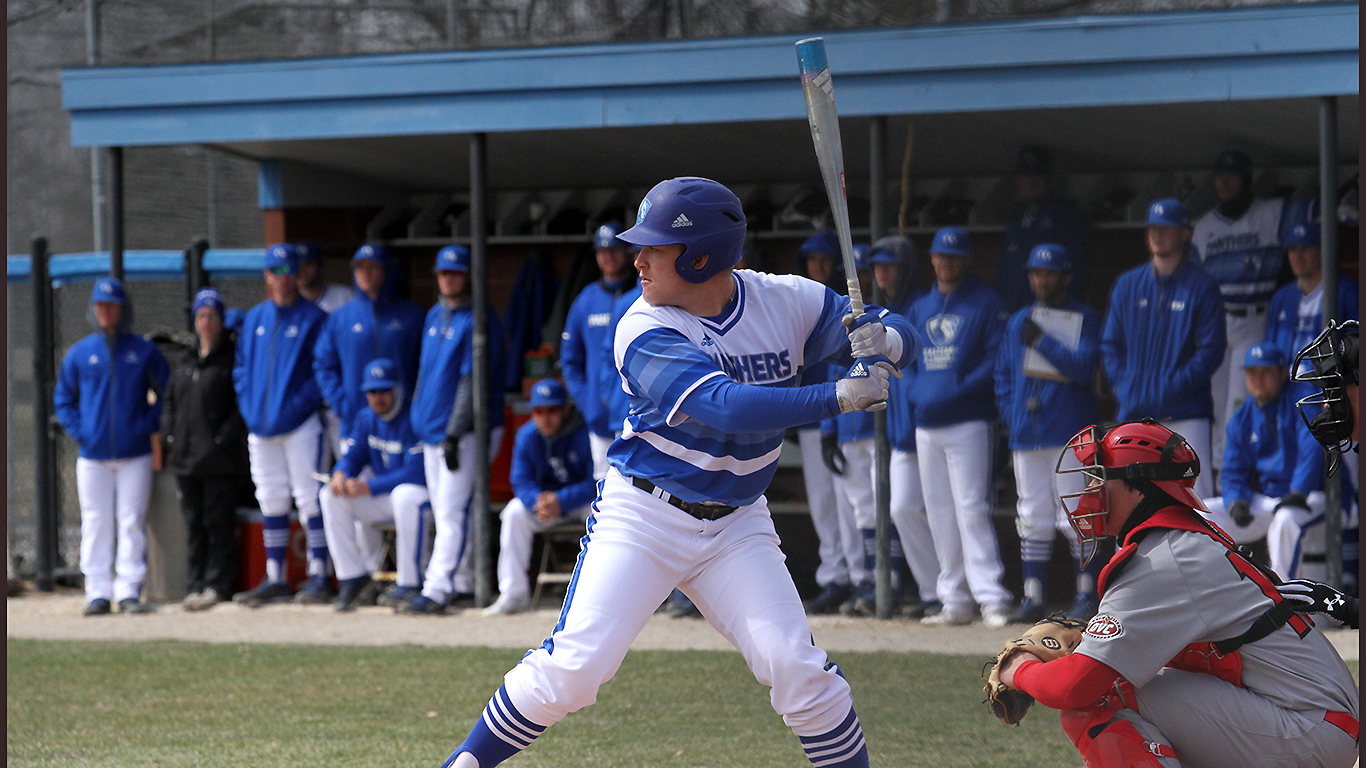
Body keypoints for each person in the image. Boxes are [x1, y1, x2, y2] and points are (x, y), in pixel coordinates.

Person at [437, 176, 918, 768]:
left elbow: (898, 330)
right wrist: (838, 396)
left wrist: (888, 339)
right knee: (577, 668)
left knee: (797, 667)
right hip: (644, 516)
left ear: (701, 257)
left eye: (654, 248)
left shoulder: (788, 300)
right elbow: (725, 406)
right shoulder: (641, 324)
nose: (636, 259)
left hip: (737, 524)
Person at [994, 420, 1358, 768]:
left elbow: (1073, 687)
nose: (1090, 491)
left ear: (1139, 488)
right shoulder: (1185, 539)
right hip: (1312, 720)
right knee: (1136, 680)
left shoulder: (1163, 559)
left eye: (1099, 478)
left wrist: (1018, 669)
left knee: (1104, 697)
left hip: (1309, 729)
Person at [908, 226, 1014, 628]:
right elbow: (909, 362)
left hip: (970, 420)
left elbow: (994, 358)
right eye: (940, 255)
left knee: (971, 507)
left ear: (966, 259)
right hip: (928, 422)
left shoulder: (986, 302)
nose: (946, 262)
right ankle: (954, 600)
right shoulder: (920, 306)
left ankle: (992, 598)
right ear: (932, 259)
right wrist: (921, 393)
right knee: (938, 511)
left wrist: (955, 390)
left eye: (953, 256)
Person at [994, 243, 1102, 623]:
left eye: (1049, 273)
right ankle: (1032, 597)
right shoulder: (1018, 319)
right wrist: (1012, 414)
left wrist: (1041, 340)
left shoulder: (1083, 317)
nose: (1041, 280)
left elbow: (1083, 367)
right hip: (1027, 433)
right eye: (1036, 274)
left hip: (1068, 432)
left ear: (1065, 277)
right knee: (1032, 514)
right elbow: (1003, 376)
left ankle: (1086, 595)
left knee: (1076, 515)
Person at [54, 277, 170, 616]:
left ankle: (130, 589)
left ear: (124, 309)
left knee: (132, 519)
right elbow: (63, 399)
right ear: (93, 309)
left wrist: (146, 425)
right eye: (100, 305)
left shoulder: (144, 350)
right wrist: (81, 431)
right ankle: (98, 591)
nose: (106, 311)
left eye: (112, 305)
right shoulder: (80, 353)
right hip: (93, 455)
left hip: (135, 453)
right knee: (96, 520)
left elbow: (167, 393)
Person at [403, 244, 507, 615]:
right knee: (453, 510)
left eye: (456, 273)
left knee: (451, 512)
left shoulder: (479, 319)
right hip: (433, 430)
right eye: (444, 273)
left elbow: (470, 383)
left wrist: (453, 432)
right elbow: (423, 374)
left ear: (467, 276)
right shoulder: (434, 314)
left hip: (463, 434)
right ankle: (463, 582)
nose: (449, 279)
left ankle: (437, 587)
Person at [1102, 198, 1226, 501]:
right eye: (1152, 228)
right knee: (1132, 503)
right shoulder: (1127, 284)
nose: (1156, 235)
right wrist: (1125, 386)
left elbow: (1211, 350)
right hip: (1135, 414)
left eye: (1166, 228)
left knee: (1196, 504)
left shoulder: (1201, 285)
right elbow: (1110, 345)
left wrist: (1173, 387)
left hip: (1185, 412)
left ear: (1184, 234)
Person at [232, 243, 333, 607]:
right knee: (270, 497)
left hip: (301, 424)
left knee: (309, 498)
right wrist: (250, 408)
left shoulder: (315, 318)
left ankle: (319, 574)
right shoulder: (255, 318)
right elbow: (241, 369)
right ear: (267, 276)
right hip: (260, 426)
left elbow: (321, 371)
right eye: (277, 272)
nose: (284, 279)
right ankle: (276, 577)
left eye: (290, 271)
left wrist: (295, 408)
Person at [1191, 151, 1288, 468]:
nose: (1224, 184)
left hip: (1253, 319)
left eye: (1231, 177)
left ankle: (1240, 470)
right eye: (1220, 177)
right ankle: (1221, 477)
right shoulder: (1205, 226)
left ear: (1246, 180)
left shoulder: (1271, 213)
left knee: (1240, 402)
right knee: (1216, 405)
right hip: (1218, 324)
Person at [1200, 343, 1327, 580]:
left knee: (1285, 520)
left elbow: (1312, 447)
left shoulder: (1302, 400)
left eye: (1265, 371)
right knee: (1203, 514)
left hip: (1312, 496)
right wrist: (1236, 500)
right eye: (1251, 372)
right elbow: (1232, 469)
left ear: (1281, 372)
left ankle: (1284, 598)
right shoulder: (1242, 416)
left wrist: (1299, 491)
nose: (1257, 379)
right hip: (1269, 500)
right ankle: (1211, 588)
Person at [159, 287, 247, 612]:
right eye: (201, 316)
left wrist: (222, 439)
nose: (206, 321)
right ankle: (194, 583)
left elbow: (239, 409)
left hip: (219, 461)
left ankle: (218, 584)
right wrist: (169, 435)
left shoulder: (231, 360)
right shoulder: (184, 360)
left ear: (221, 321)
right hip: (186, 459)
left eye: (212, 316)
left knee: (217, 523)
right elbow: (170, 402)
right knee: (194, 525)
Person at [320, 358, 430, 612]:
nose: (378, 397)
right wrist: (340, 472)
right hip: (384, 497)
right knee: (330, 495)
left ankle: (410, 583)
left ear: (397, 390)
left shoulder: (414, 417)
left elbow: (416, 472)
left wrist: (369, 487)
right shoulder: (366, 417)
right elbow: (353, 456)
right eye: (372, 391)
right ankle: (353, 577)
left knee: (405, 496)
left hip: (419, 496)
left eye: (384, 390)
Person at [794, 231, 865, 615]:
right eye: (811, 260)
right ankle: (833, 574)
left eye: (823, 260)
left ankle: (857, 576)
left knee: (847, 501)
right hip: (807, 412)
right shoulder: (794, 302)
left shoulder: (840, 306)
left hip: (841, 411)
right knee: (822, 501)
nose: (817, 267)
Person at [483, 378, 595, 616]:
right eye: (538, 410)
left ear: (565, 409)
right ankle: (514, 594)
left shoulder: (585, 431)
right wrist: (537, 501)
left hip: (579, 502)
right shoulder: (527, 435)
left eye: (552, 410)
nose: (545, 417)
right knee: (514, 512)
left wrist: (561, 500)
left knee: (604, 511)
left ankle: (599, 596)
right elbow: (520, 481)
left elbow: (596, 483)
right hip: (545, 506)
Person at [874, 234, 941, 619]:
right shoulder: (882, 310)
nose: (883, 273)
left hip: (928, 425)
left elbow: (924, 371)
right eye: (878, 266)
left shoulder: (918, 307)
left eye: (890, 265)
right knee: (902, 508)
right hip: (902, 435)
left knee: (941, 510)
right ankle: (933, 589)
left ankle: (948, 592)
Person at [314, 244, 424, 446]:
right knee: (353, 476)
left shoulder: (412, 317)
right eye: (360, 268)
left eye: (372, 267)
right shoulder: (341, 318)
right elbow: (323, 364)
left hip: (403, 425)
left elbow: (426, 367)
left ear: (386, 271)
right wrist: (342, 404)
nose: (365, 273)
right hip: (355, 423)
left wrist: (416, 406)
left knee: (403, 478)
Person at [560, 222, 636, 478]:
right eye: (602, 251)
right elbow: (570, 360)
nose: (609, 256)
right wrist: (586, 402)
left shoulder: (642, 295)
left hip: (635, 411)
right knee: (603, 486)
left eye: (615, 249)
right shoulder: (586, 299)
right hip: (599, 417)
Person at [1265, 221, 1360, 399]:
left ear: (1321, 251)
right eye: (1293, 249)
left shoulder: (1345, 291)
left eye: (1305, 249)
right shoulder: (1282, 297)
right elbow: (1269, 351)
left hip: (1323, 391)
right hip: (1285, 390)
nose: (1298, 256)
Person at [995, 146, 1090, 312]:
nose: (1031, 181)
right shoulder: (1016, 215)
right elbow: (1006, 269)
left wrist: (1059, 309)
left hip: (1052, 312)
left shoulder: (1066, 216)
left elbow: (1078, 271)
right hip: (1013, 311)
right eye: (1025, 175)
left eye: (1038, 175)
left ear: (1049, 178)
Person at [295, 241, 354, 314]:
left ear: (321, 267)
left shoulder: (345, 297)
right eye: (296, 266)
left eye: (308, 264)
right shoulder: (286, 301)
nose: (301, 270)